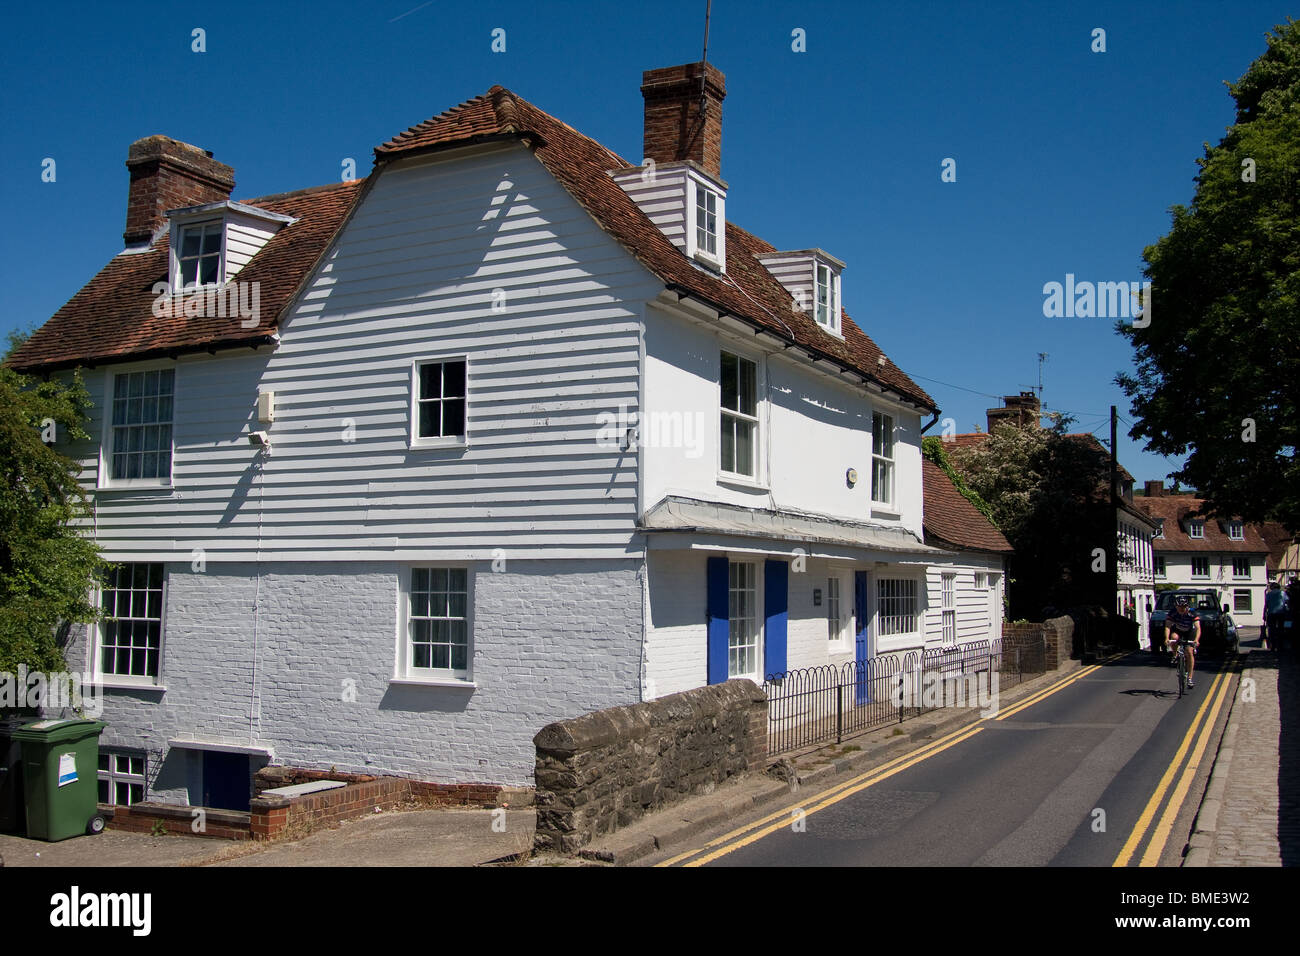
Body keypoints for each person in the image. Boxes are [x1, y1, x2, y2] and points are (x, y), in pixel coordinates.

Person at [1165, 595, 1201, 689]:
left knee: (1189, 652)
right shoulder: (1172, 613)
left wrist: (1196, 640)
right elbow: (1168, 626)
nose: (1181, 609)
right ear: (1176, 606)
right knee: (1173, 637)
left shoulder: (1192, 613)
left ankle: (1189, 678)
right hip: (1178, 630)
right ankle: (1174, 654)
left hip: (1189, 631)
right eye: (1179, 607)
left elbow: (1198, 628)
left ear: (1187, 606)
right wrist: (1166, 638)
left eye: (1184, 607)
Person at [1264, 582, 1289, 651]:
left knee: (1272, 630)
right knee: (1281, 629)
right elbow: (1287, 602)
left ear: (1272, 587)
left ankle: (1273, 646)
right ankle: (1280, 645)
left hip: (1271, 614)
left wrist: (1264, 615)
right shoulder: (1283, 593)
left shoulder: (1269, 594)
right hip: (1281, 613)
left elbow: (1266, 605)